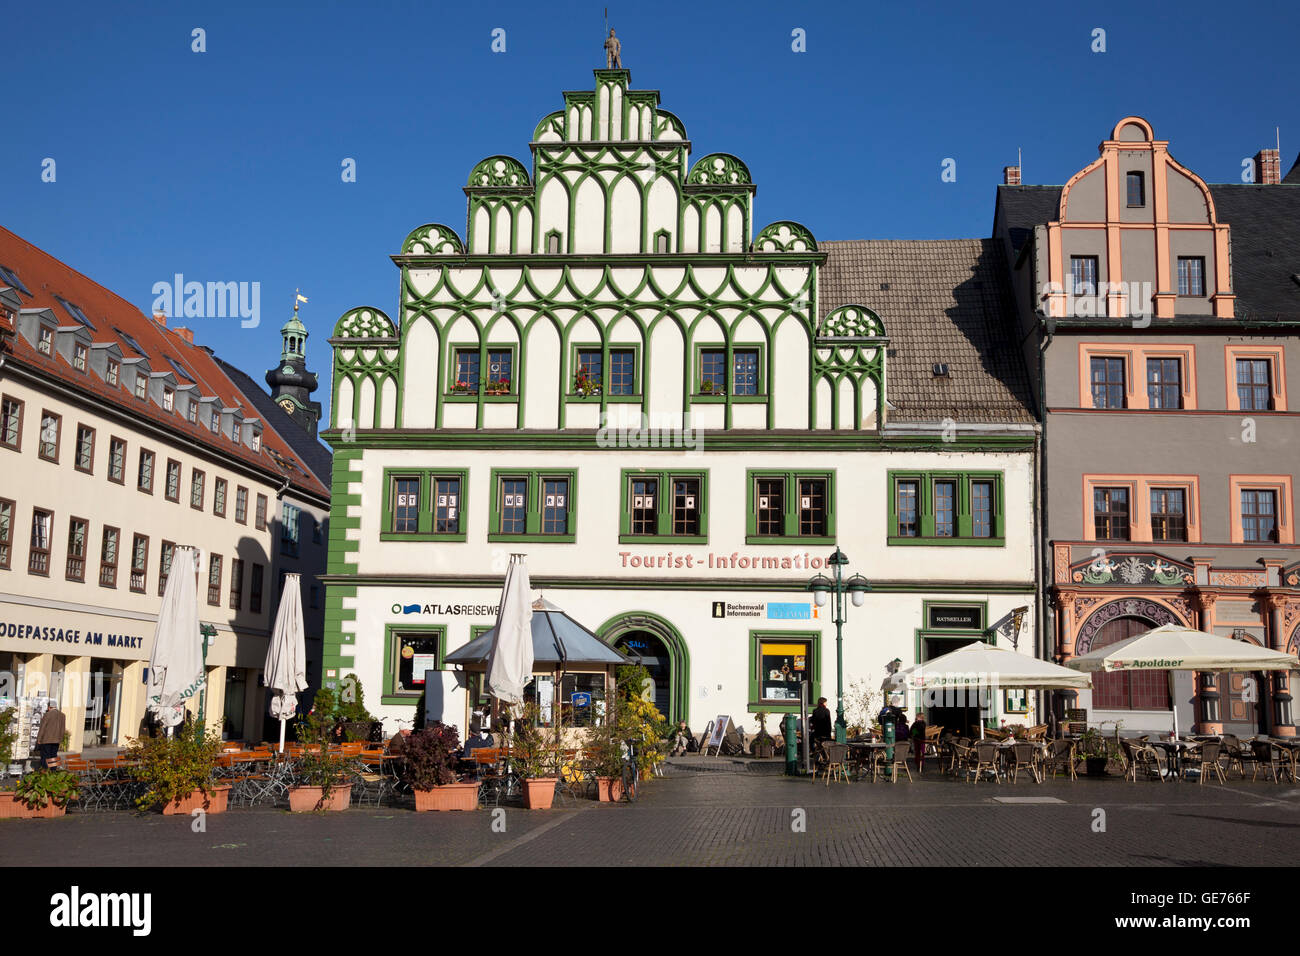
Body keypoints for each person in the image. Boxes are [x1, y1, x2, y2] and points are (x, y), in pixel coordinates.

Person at [35, 704, 66, 768]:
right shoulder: (62, 715)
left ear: (49, 707)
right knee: (54, 755)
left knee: (46, 756)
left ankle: (46, 771)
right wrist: (61, 739)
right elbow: (63, 729)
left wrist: (39, 739)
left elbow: (42, 727)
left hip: (47, 740)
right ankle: (53, 770)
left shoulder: (47, 714)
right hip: (57, 740)